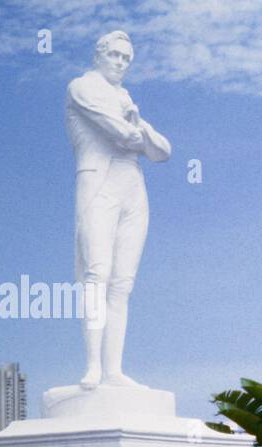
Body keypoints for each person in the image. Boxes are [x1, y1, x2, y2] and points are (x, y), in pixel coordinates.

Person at [66, 31, 172, 388]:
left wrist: (138, 124)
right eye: (115, 55)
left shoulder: (126, 98)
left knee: (122, 284)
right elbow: (121, 136)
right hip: (99, 184)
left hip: (133, 190)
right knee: (97, 275)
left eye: (126, 58)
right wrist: (136, 128)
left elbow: (164, 151)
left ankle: (113, 370)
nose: (121, 63)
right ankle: (93, 366)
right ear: (99, 55)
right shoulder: (82, 87)